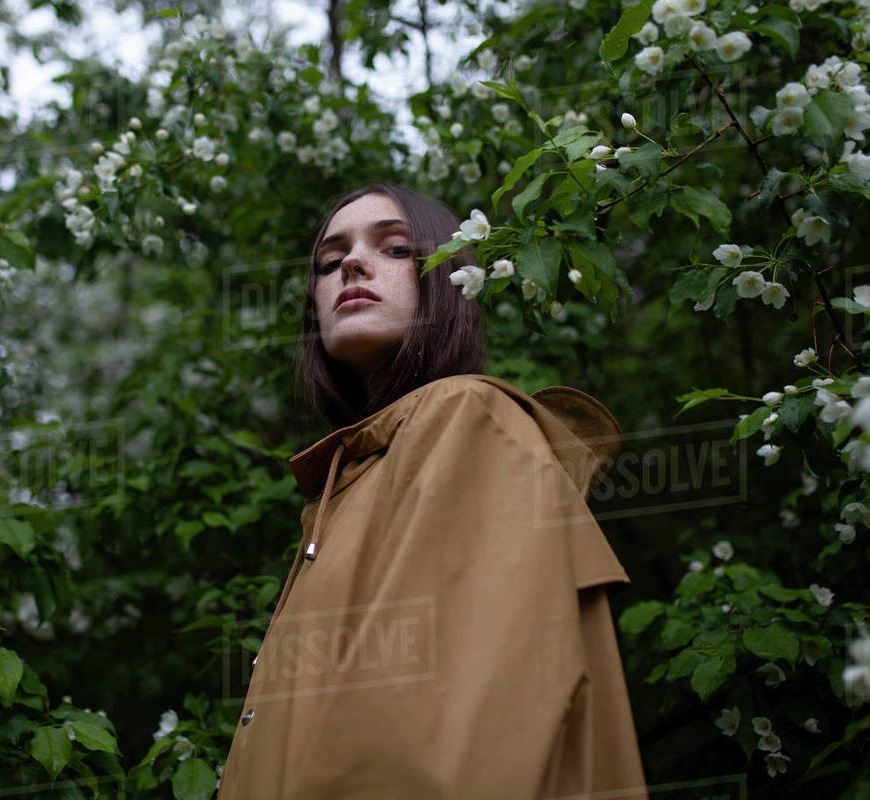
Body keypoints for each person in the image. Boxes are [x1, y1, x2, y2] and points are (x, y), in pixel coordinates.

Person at [216, 183, 648, 799]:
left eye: (395, 248)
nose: (352, 264)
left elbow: (434, 750)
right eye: (329, 263)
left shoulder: (465, 419)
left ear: (448, 283)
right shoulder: (350, 483)